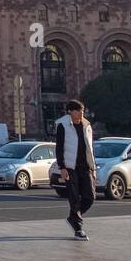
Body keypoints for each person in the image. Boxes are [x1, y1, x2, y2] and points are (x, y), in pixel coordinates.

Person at [55, 99, 96, 241]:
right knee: (74, 197)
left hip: (85, 167)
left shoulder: (87, 126)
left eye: (82, 110)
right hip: (70, 167)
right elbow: (59, 148)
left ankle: (73, 217)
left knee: (90, 197)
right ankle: (78, 228)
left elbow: (90, 149)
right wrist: (62, 167)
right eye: (78, 110)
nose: (81, 113)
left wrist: (93, 168)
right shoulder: (63, 126)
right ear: (70, 112)